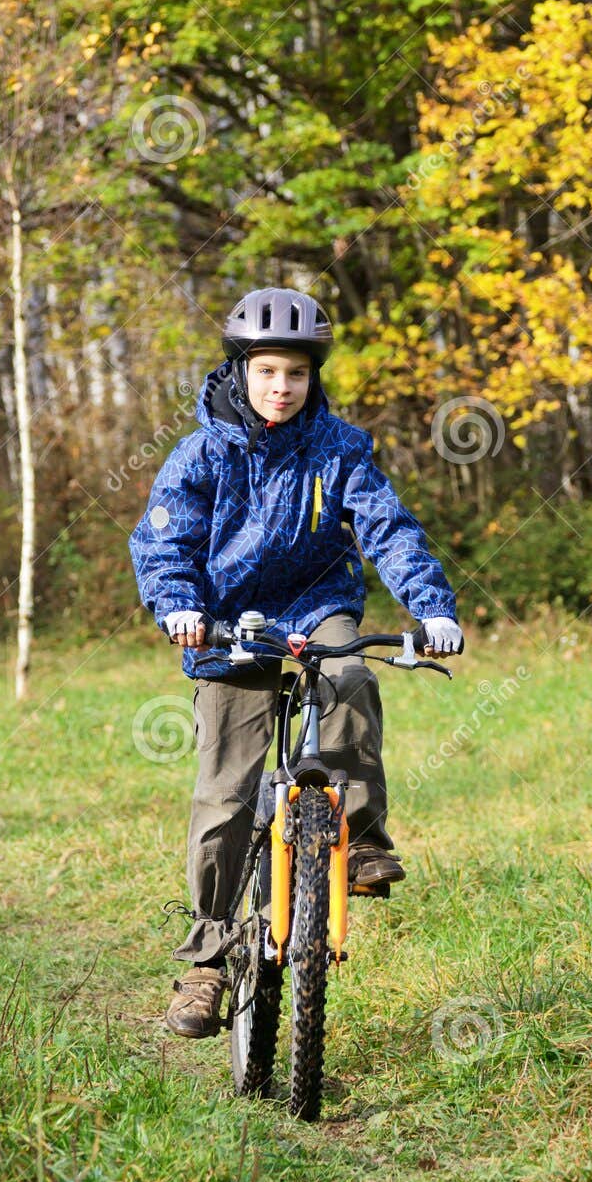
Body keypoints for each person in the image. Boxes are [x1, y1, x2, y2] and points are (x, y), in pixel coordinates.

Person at [130, 288, 462, 1038]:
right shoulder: (204, 451)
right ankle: (207, 962)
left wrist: (430, 606)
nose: (281, 387)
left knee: (352, 678)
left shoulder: (339, 446)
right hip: (225, 619)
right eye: (267, 371)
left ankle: (362, 840)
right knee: (223, 791)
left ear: (313, 378)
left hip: (315, 608)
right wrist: (179, 605)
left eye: (296, 374)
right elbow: (162, 542)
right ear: (240, 371)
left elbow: (387, 527)